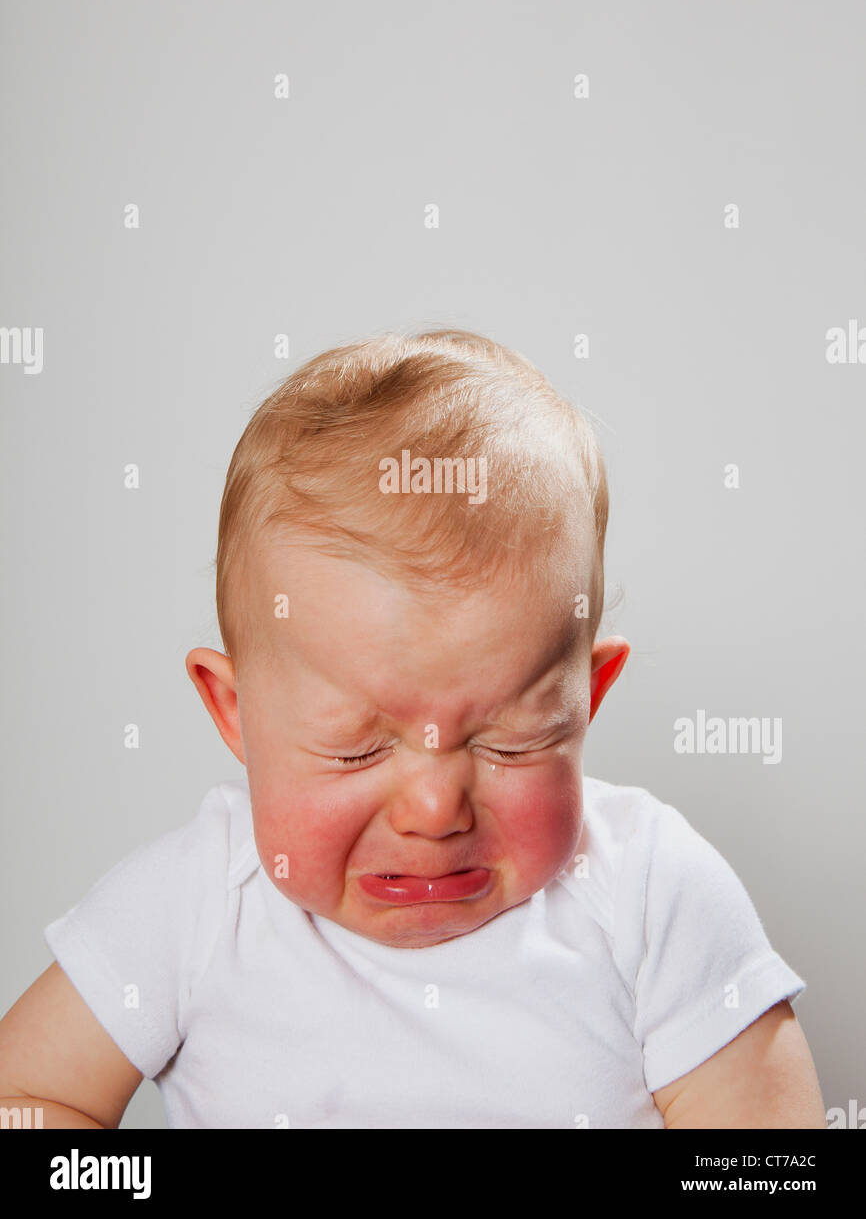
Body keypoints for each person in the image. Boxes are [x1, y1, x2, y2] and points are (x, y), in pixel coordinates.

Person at [0, 328, 826, 1128]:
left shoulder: (652, 894)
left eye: (511, 741)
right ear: (235, 713)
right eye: (355, 749)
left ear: (585, 697)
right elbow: (29, 1099)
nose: (436, 809)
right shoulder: (193, 903)